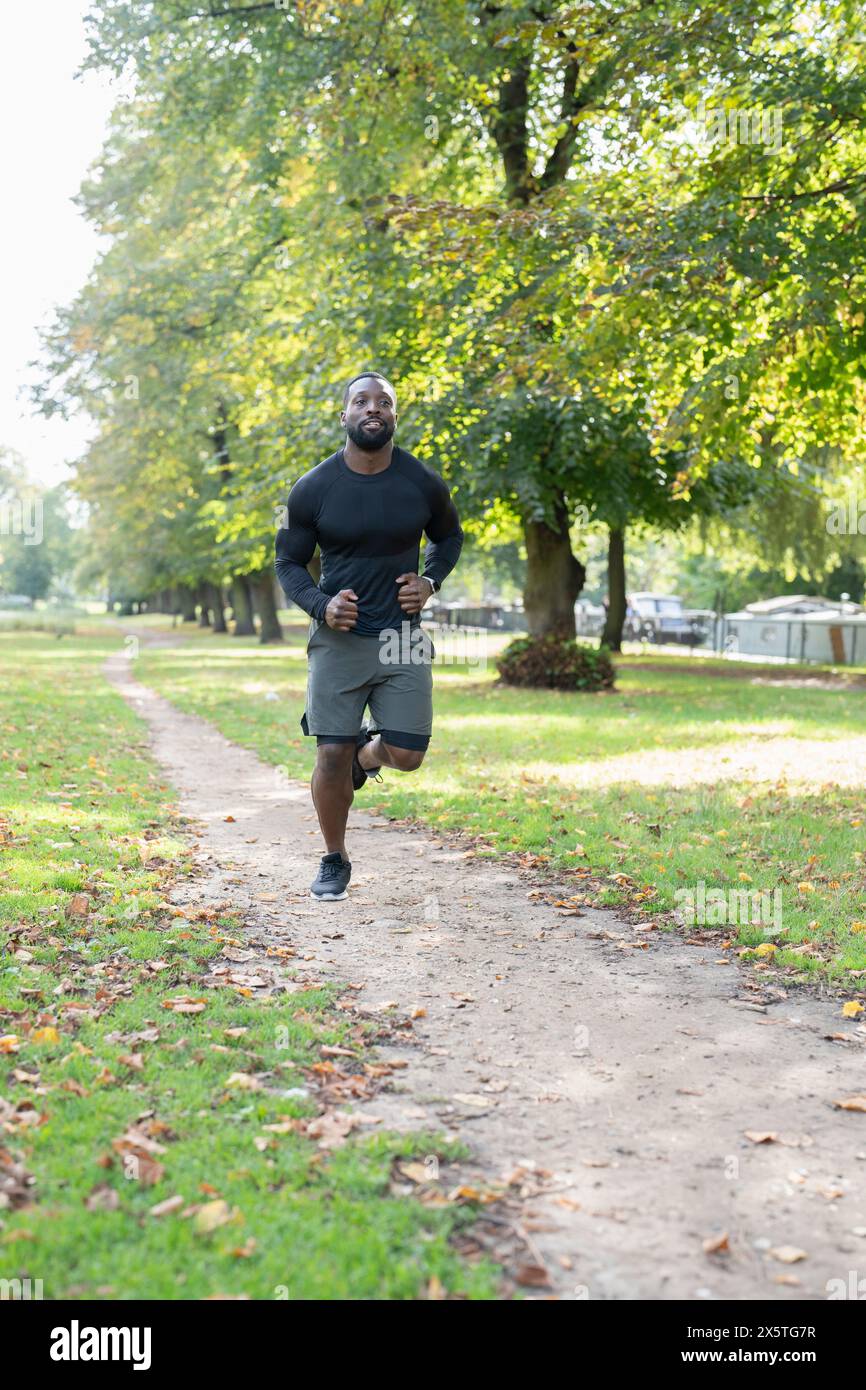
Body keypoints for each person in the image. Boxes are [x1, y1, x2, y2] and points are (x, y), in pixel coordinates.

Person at [274, 371, 463, 900]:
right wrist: (320, 604)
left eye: (383, 401)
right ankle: (334, 859)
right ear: (345, 416)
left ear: (394, 416)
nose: (372, 408)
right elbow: (287, 560)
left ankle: (367, 758)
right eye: (361, 401)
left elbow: (449, 537)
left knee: (406, 754)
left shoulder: (422, 482)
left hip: (402, 638)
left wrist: (430, 580)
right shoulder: (311, 489)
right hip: (340, 640)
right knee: (329, 754)